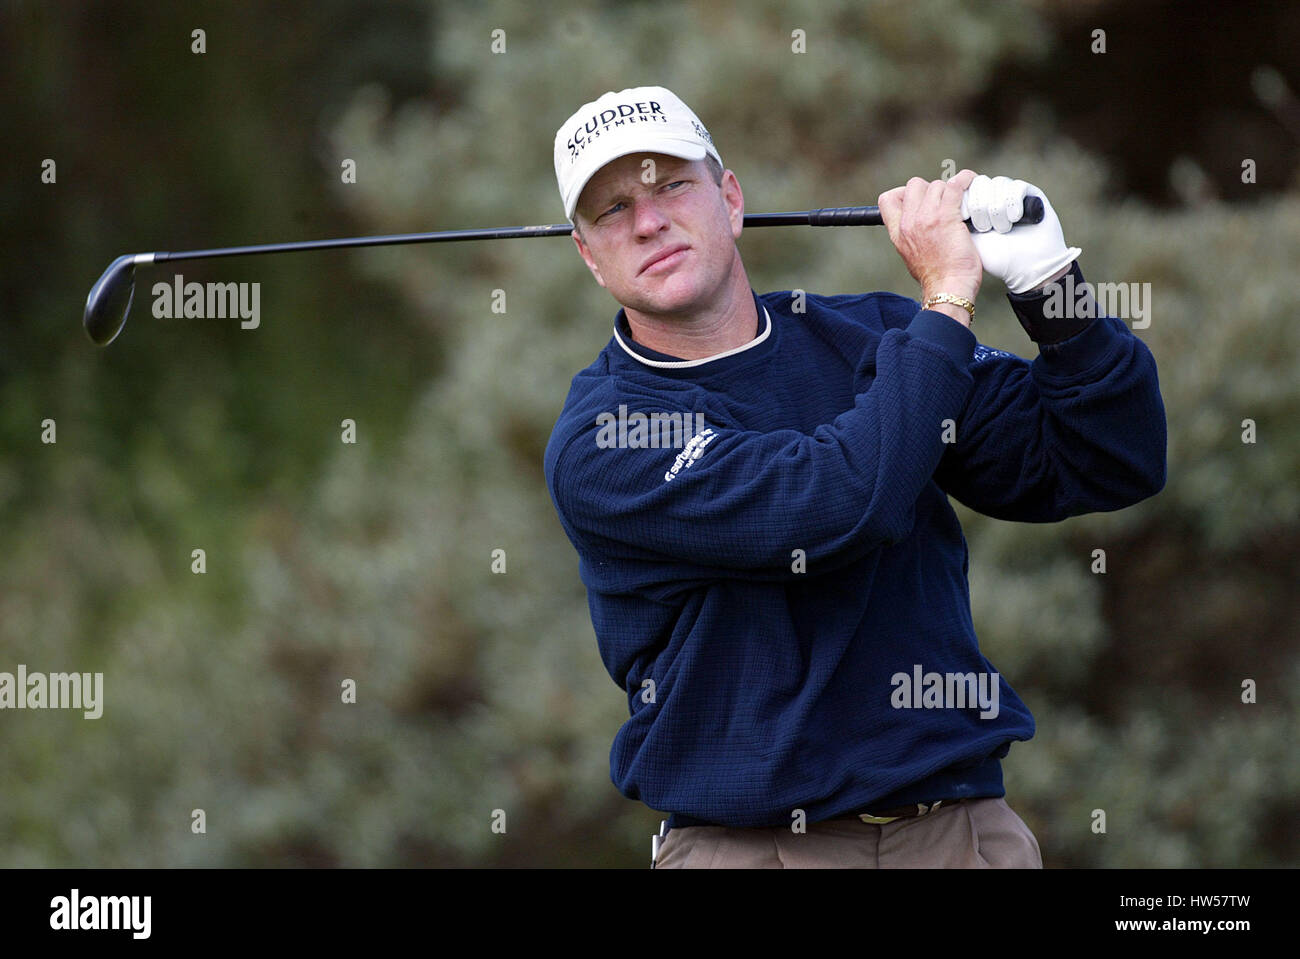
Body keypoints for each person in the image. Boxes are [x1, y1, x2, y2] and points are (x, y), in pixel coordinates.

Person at [542, 86, 1166, 868]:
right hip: (750, 849)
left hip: (961, 833)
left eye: (670, 184)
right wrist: (945, 298)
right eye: (611, 209)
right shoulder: (606, 436)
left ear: (729, 199)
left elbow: (1111, 458)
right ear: (589, 255)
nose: (647, 220)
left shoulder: (873, 336)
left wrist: (1050, 283)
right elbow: (830, 504)